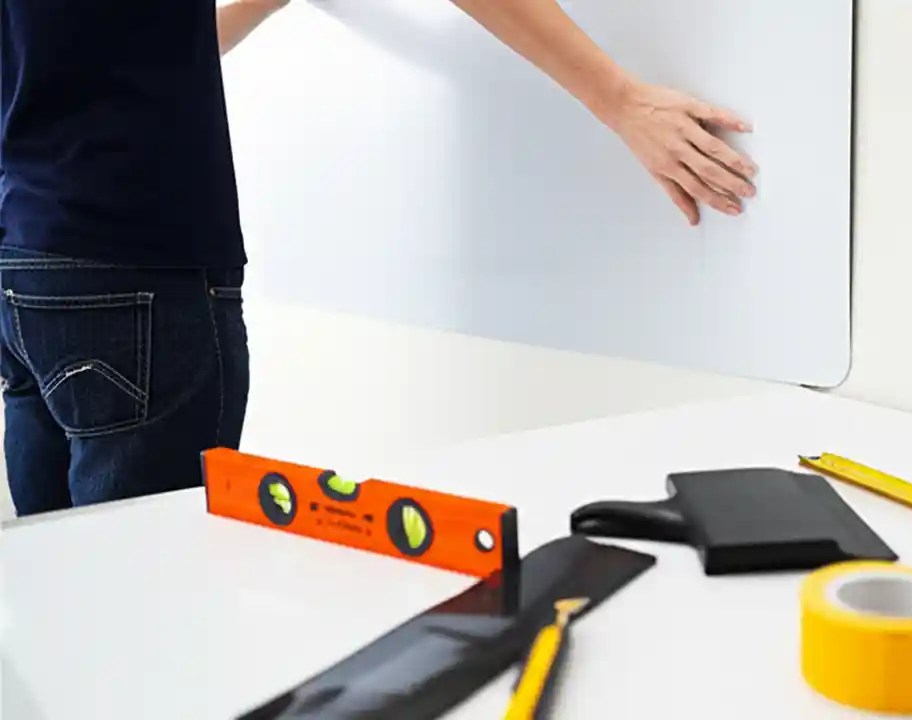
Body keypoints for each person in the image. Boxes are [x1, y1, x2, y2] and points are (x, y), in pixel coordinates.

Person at [0, 0, 757, 517]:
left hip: (24, 268)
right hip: (132, 264)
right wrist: (620, 98)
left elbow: (106, 45)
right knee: (144, 602)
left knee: (65, 591)